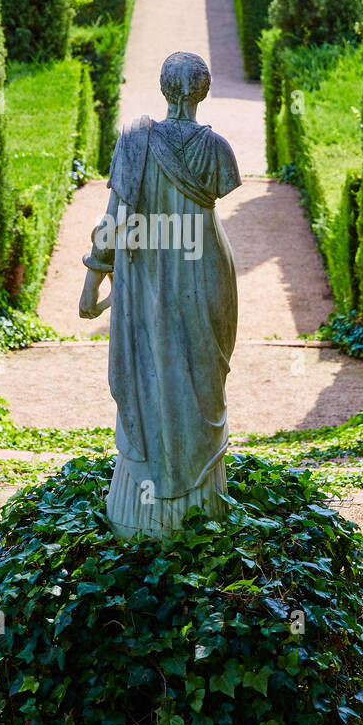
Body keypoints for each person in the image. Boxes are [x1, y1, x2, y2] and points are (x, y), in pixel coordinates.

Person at [79, 51, 241, 538]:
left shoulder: (135, 139)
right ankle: (198, 511)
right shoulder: (217, 149)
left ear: (163, 88)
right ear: (204, 91)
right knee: (197, 383)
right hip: (206, 272)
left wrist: (93, 280)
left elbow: (114, 220)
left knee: (152, 377)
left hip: (149, 275)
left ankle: (144, 514)